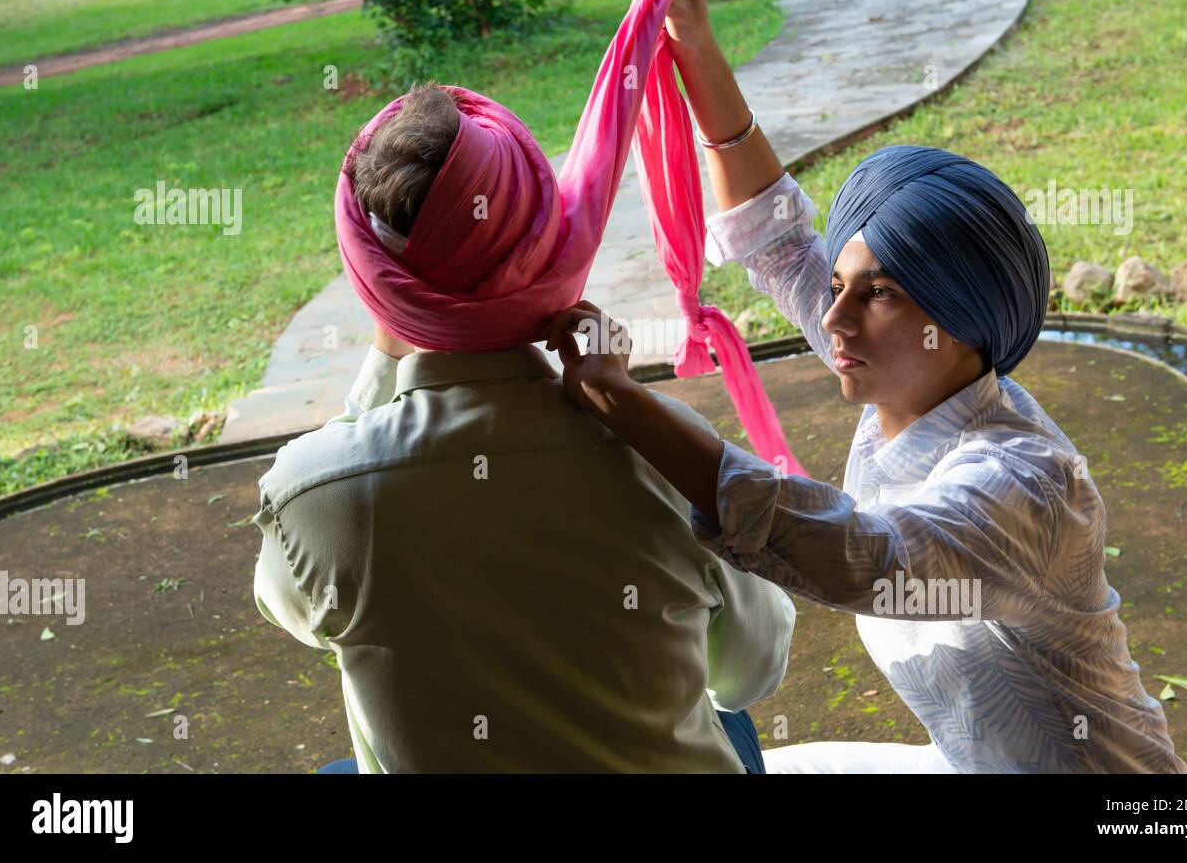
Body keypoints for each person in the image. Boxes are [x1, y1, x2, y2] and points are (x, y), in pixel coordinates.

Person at [543, 0, 1187, 773]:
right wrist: (697, 47)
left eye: (876, 294)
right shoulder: (910, 373)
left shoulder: (1027, 483)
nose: (836, 316)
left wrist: (618, 396)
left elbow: (867, 557)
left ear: (958, 317)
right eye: (841, 284)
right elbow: (777, 244)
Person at [251, 80, 795, 773]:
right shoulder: (663, 455)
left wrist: (393, 343)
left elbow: (291, 609)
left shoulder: (312, 493)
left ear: (373, 282)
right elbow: (751, 674)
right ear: (542, 244)